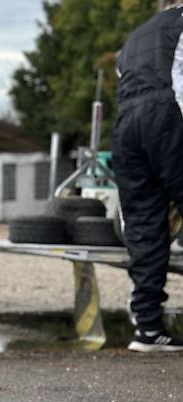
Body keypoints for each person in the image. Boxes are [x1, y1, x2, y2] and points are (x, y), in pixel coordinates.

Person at [114, 0, 183, 351]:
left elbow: (121, 75)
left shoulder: (136, 35)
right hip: (169, 116)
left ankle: (149, 330)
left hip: (126, 126)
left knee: (143, 225)